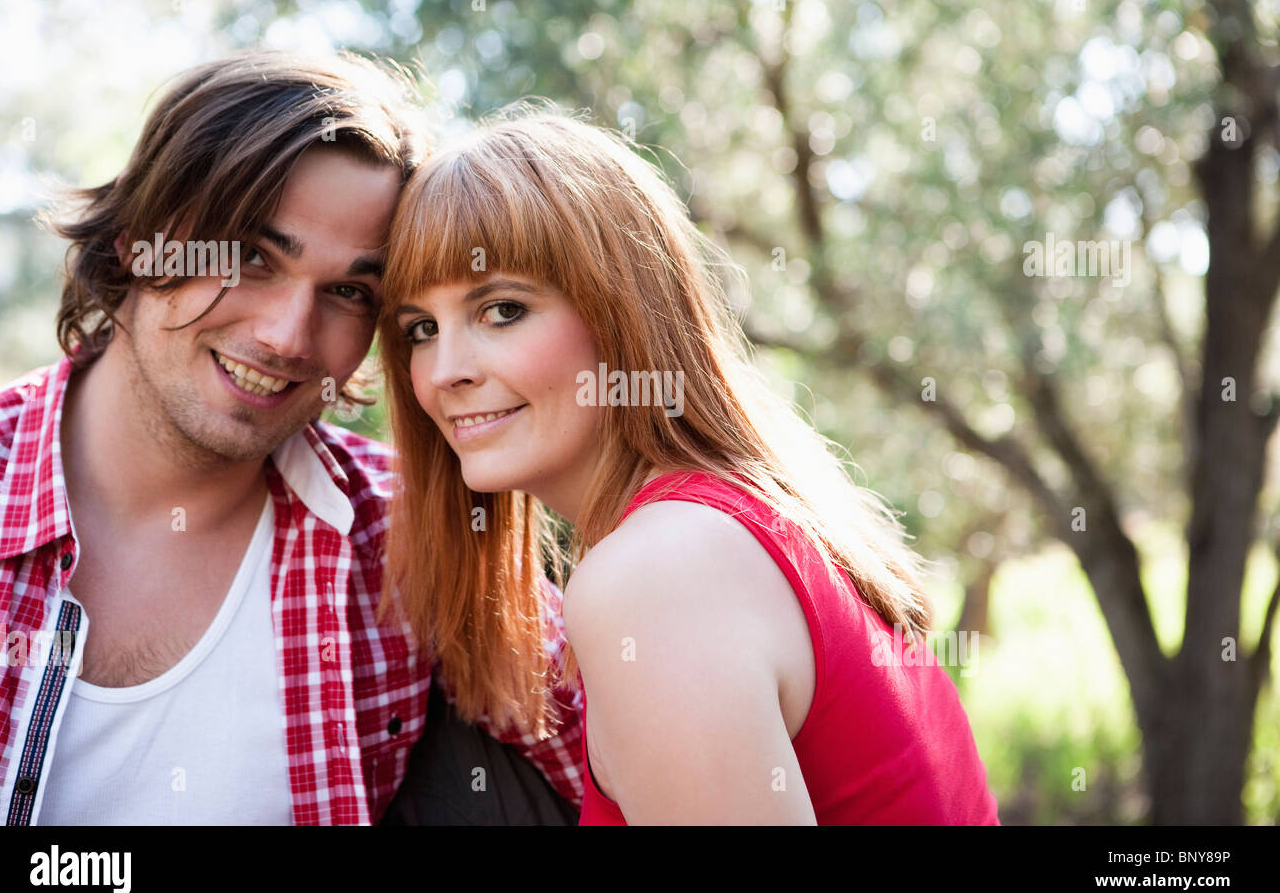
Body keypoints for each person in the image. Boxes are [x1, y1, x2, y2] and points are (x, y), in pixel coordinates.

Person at [0, 52, 582, 826]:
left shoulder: (403, 533)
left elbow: (631, 736)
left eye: (348, 292)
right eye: (252, 258)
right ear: (137, 239)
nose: (288, 337)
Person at [378, 107, 1001, 825]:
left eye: (503, 310)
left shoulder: (658, 574)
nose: (444, 371)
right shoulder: (745, 519)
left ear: (623, 313)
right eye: (421, 329)